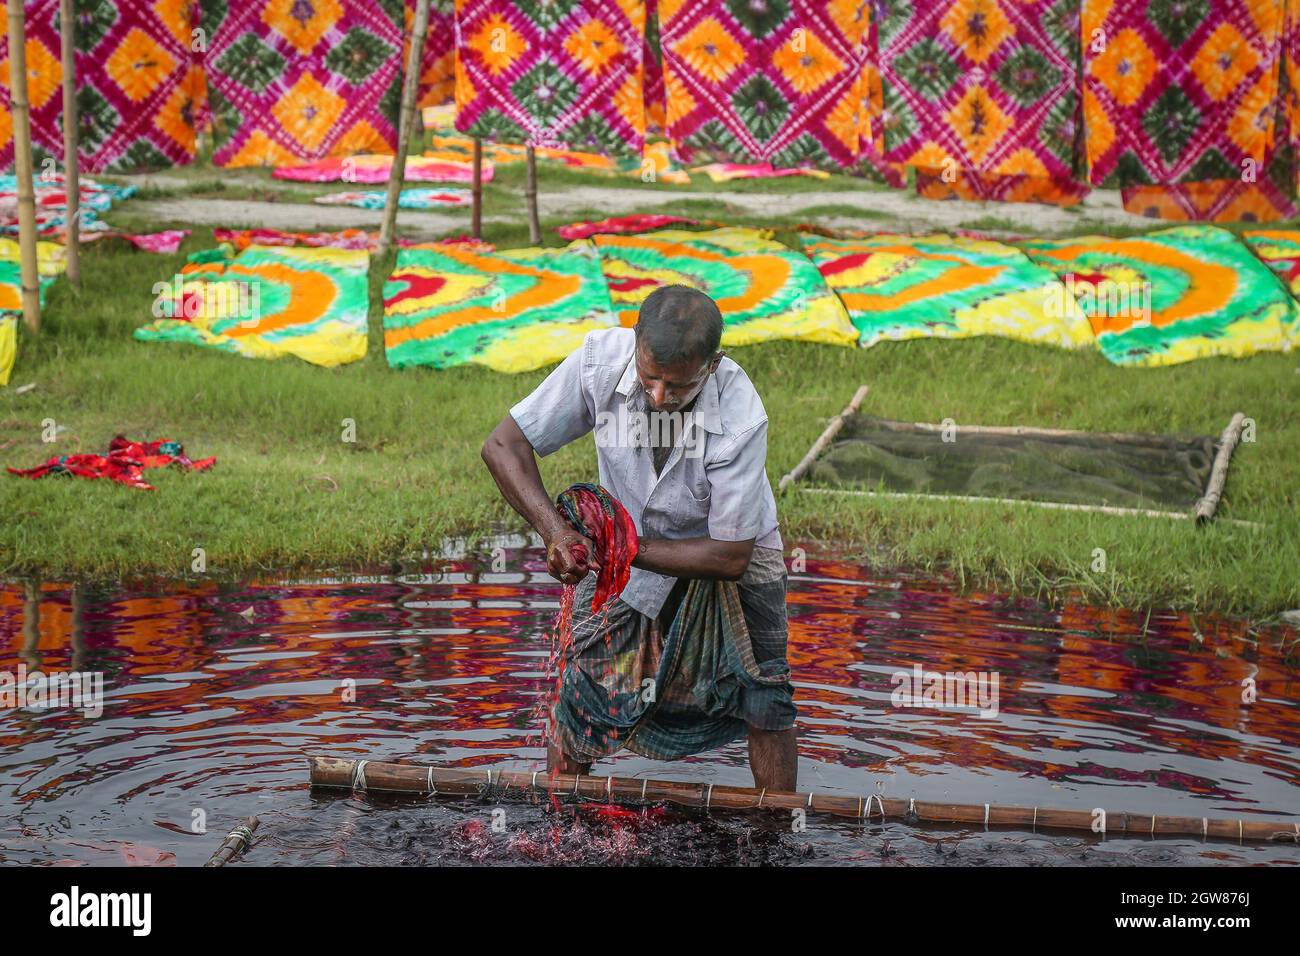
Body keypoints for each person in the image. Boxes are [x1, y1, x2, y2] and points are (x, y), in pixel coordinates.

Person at [481, 285, 797, 790]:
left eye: (677, 387)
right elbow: (503, 445)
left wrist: (623, 548)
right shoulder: (597, 363)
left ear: (711, 366)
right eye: (650, 378)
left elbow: (731, 555)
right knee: (582, 680)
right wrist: (557, 532)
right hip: (628, 548)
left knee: (764, 692)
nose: (657, 397)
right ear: (635, 342)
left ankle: (778, 828)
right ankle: (567, 819)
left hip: (726, 548)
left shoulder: (740, 414)